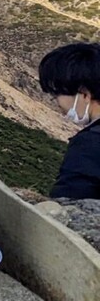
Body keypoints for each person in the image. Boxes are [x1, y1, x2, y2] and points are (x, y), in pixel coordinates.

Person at [41, 42, 100, 200]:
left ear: (85, 95)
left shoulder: (90, 143)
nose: (57, 104)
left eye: (57, 95)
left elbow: (69, 203)